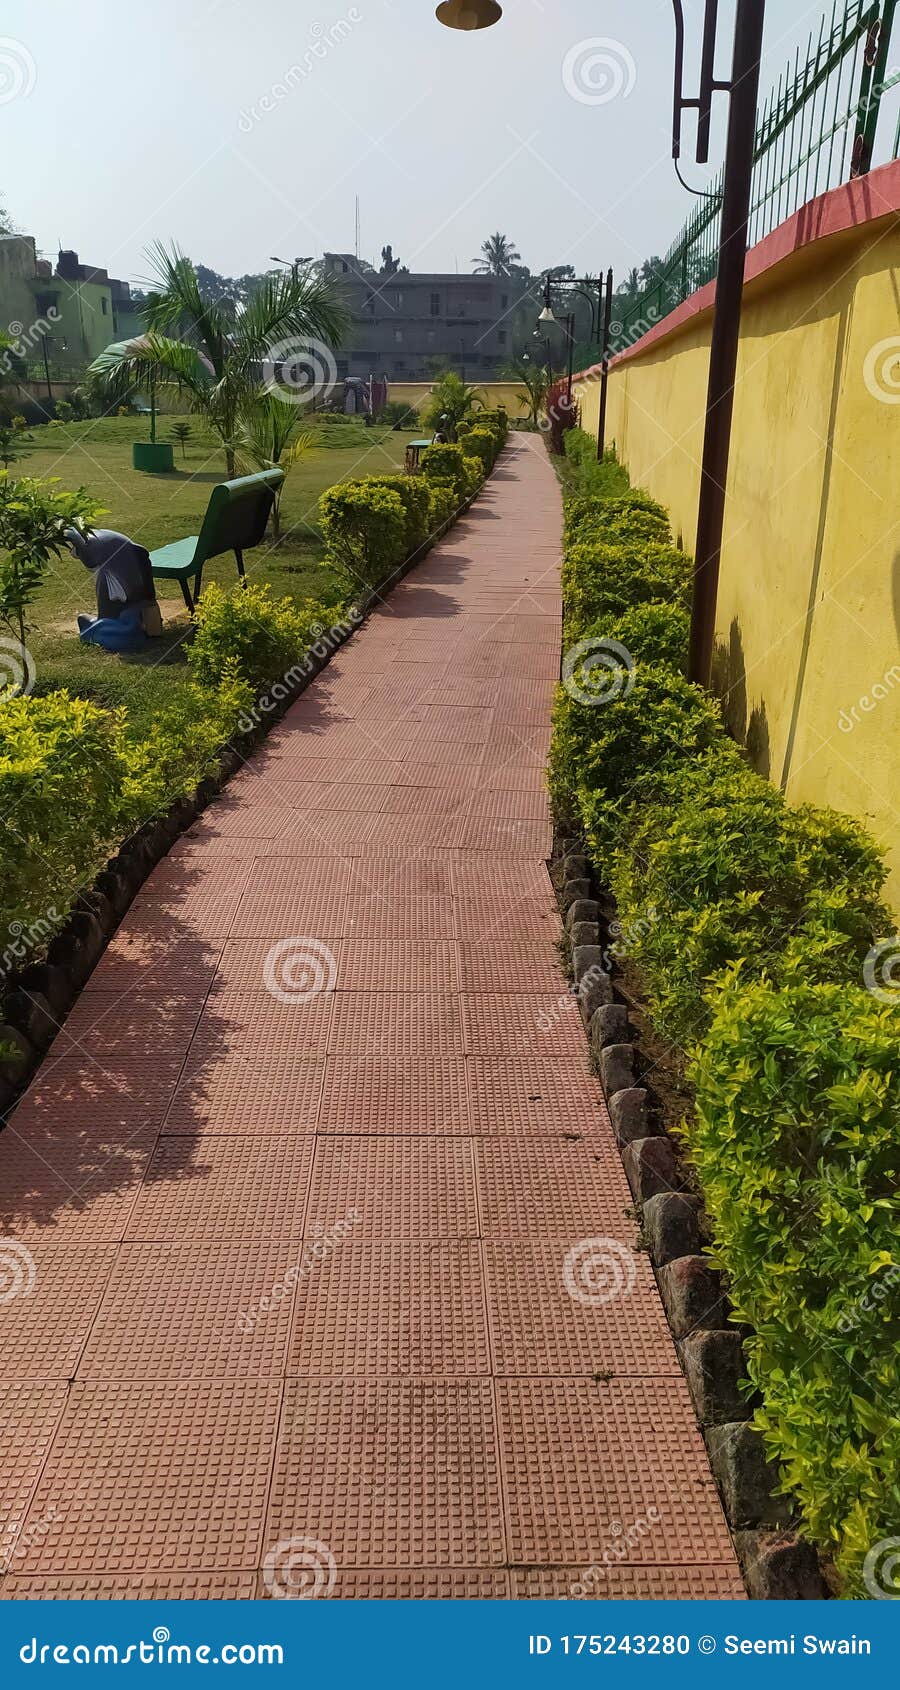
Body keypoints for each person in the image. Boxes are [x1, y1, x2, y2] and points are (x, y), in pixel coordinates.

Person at [65, 527, 163, 650]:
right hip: (134, 572)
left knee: (108, 604)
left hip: (116, 576)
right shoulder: (99, 537)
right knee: (133, 602)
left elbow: (90, 562)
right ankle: (146, 627)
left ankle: (105, 626)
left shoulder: (90, 548)